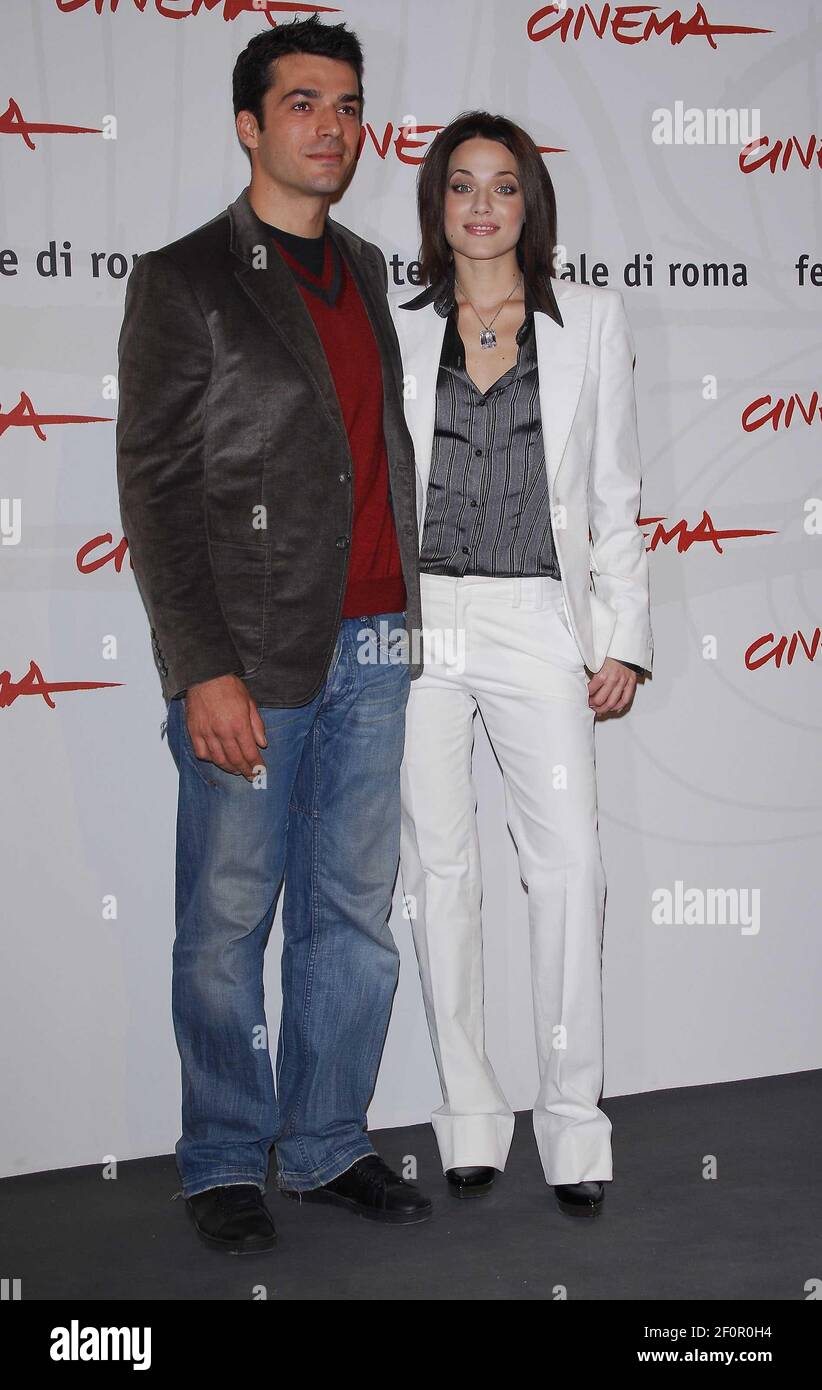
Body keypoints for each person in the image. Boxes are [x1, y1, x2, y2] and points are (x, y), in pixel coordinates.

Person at [115, 16, 432, 1255]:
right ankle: (220, 1158)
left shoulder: (366, 266)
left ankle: (327, 1141)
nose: (331, 127)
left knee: (354, 913)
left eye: (348, 105)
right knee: (228, 919)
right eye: (304, 103)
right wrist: (201, 665)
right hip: (250, 657)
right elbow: (154, 488)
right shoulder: (185, 278)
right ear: (249, 125)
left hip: (376, 641)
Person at [389, 111, 653, 1218]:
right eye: (462, 185)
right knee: (440, 873)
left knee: (569, 870)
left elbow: (615, 491)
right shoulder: (398, 325)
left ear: (530, 203)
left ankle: (573, 1120)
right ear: (438, 206)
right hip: (423, 624)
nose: (483, 205)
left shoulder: (589, 319)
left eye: (503, 185)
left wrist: (622, 636)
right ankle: (469, 1115)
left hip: (540, 617)